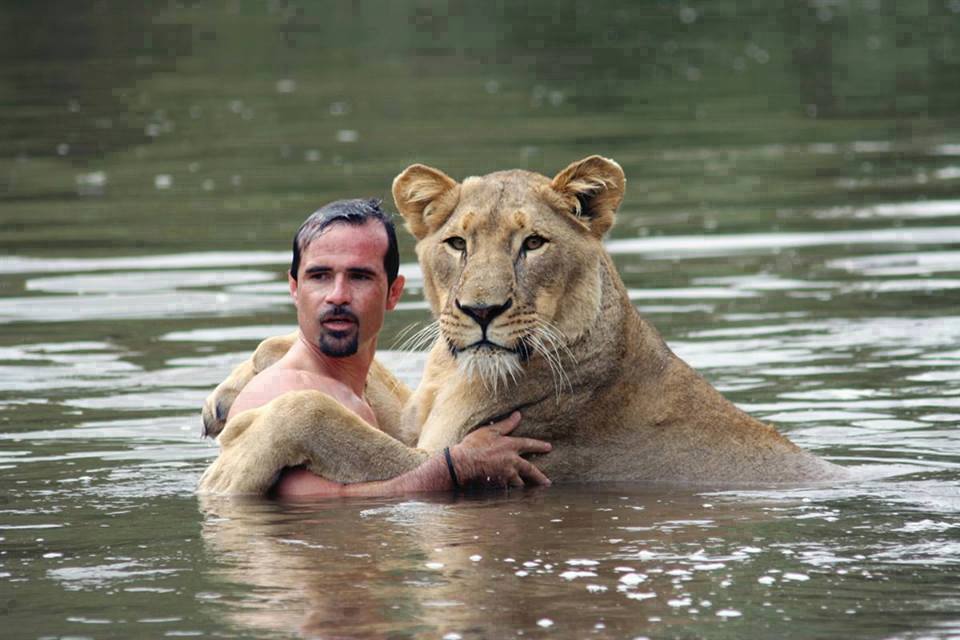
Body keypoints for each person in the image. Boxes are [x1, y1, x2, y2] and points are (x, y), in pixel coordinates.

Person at [227, 198, 552, 498]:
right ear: (294, 288)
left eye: (359, 277)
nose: (337, 295)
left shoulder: (366, 391)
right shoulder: (273, 396)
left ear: (393, 293)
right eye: (320, 276)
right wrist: (457, 467)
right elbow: (322, 507)